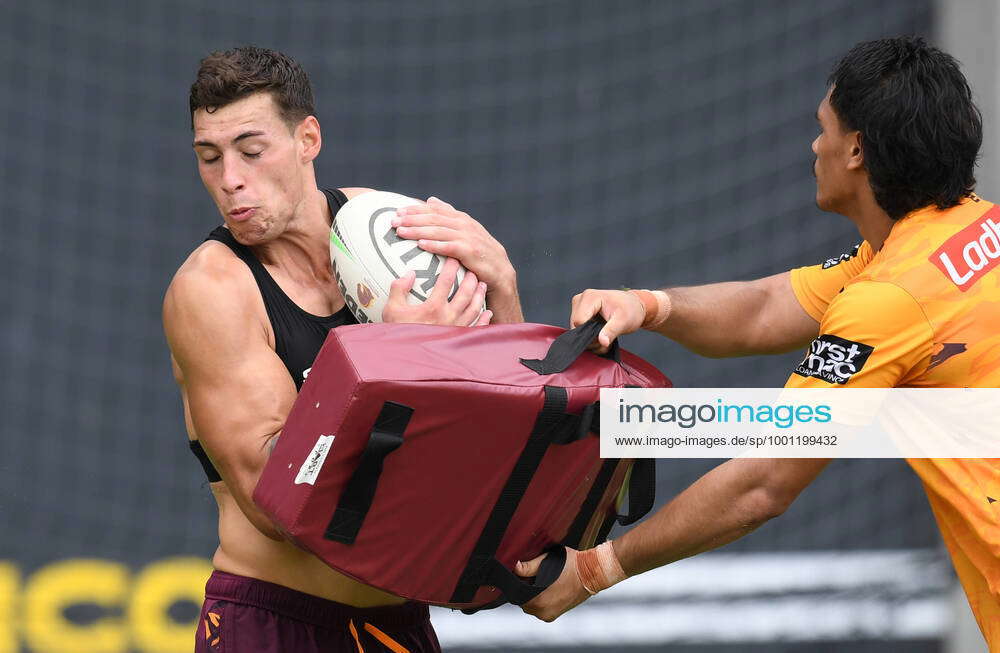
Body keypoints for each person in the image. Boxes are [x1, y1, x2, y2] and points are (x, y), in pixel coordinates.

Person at [516, 36, 1000, 647]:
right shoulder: (966, 234)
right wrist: (648, 305)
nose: (813, 145)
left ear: (856, 150)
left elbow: (764, 483)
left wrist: (595, 569)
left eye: (823, 128)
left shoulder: (892, 297)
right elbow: (767, 309)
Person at [162, 46, 522, 652]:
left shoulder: (394, 228)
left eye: (251, 152)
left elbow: (503, 423)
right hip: (274, 622)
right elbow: (277, 507)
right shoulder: (211, 290)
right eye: (209, 157)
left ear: (308, 139)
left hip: (396, 622)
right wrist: (398, 354)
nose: (229, 179)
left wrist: (505, 295)